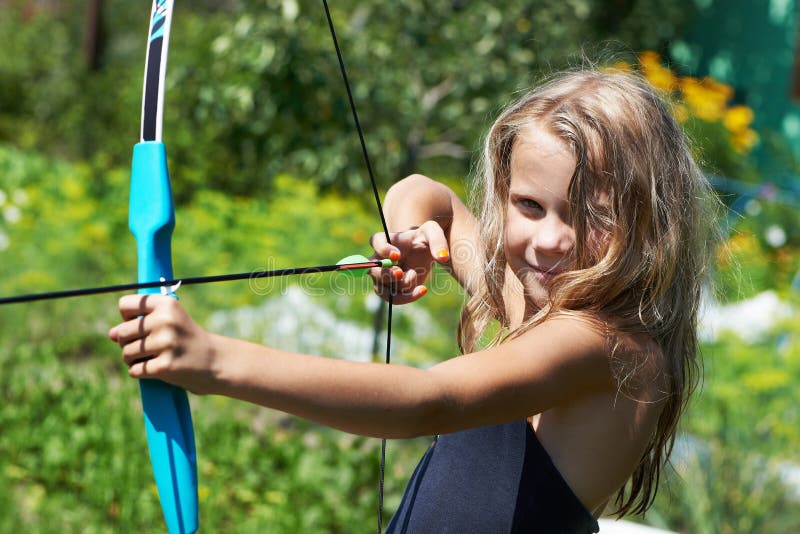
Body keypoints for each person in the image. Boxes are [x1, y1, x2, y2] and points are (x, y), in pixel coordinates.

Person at [109, 69, 715, 532]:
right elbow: (432, 197)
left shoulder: (606, 347)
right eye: (530, 206)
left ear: (650, 222)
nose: (551, 239)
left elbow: (430, 401)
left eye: (592, 216)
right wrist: (411, 236)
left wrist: (216, 361)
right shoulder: (532, 301)